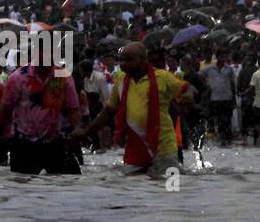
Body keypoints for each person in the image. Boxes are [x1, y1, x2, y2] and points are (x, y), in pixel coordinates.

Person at [75, 41, 195, 178]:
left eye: (128, 60)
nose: (123, 64)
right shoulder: (120, 79)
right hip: (135, 149)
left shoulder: (162, 77)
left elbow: (188, 93)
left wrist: (181, 100)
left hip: (163, 147)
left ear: (143, 60)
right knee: (132, 189)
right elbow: (108, 111)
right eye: (121, 60)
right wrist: (86, 132)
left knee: (168, 187)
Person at [0, 61, 81, 176]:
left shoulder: (64, 76)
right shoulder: (18, 77)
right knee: (22, 188)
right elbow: (4, 111)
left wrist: (76, 136)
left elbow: (73, 110)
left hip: (57, 144)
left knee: (70, 184)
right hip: (24, 146)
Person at [202, 49, 236, 145]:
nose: (223, 58)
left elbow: (233, 84)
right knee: (219, 120)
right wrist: (206, 86)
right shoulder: (209, 68)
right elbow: (200, 76)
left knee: (227, 119)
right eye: (221, 56)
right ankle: (222, 138)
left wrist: (234, 99)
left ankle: (228, 139)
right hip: (215, 98)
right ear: (217, 57)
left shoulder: (229, 69)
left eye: (224, 56)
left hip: (227, 97)